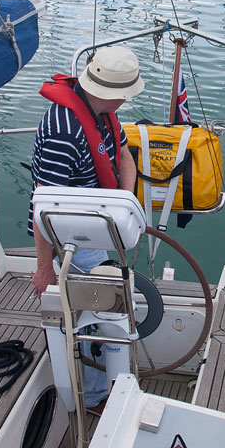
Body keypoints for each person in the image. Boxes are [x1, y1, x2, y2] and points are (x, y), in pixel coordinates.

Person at [29, 45, 143, 296]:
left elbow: (124, 157)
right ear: (117, 93)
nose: (127, 99)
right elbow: (44, 205)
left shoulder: (101, 111)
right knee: (105, 298)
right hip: (70, 236)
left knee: (103, 295)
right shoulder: (63, 133)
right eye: (126, 93)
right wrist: (44, 267)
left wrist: (122, 206)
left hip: (95, 221)